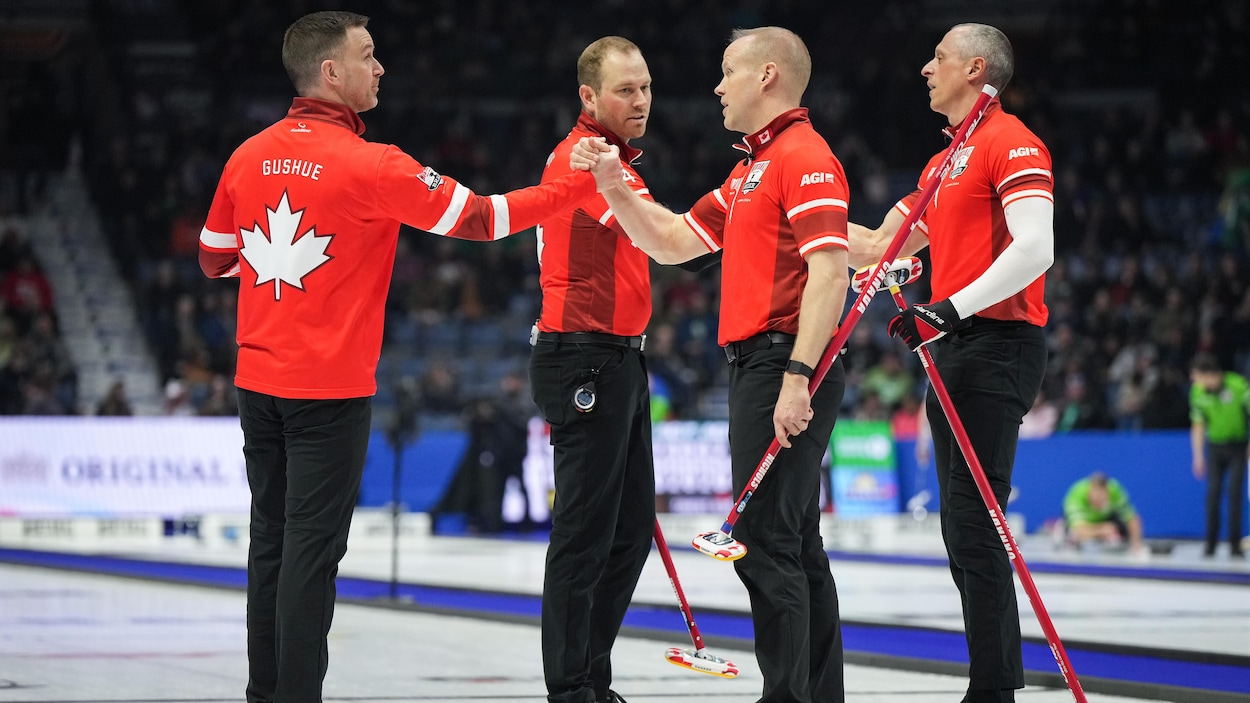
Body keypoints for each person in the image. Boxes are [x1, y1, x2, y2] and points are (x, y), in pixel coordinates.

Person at [197, 11, 614, 702]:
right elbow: (482, 218)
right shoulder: (374, 163)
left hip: (257, 382)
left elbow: (214, 259)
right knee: (310, 553)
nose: (380, 67)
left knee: (269, 542)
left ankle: (263, 692)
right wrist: (578, 186)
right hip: (328, 391)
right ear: (331, 73)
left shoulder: (247, 155)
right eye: (368, 55)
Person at [577, 27, 850, 703]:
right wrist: (614, 183)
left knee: (763, 539)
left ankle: (788, 696)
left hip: (783, 362)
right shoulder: (751, 168)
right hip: (760, 364)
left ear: (766, 76)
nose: (717, 86)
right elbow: (671, 241)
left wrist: (797, 376)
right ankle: (818, 694)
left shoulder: (804, 157)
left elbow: (830, 271)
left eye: (727, 71)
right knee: (792, 539)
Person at [847, 23, 1054, 703]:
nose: (923, 69)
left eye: (936, 58)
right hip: (955, 348)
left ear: (974, 68)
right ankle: (992, 682)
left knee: (973, 523)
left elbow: (1035, 249)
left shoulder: (1013, 141)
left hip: (995, 343)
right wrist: (795, 216)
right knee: (960, 526)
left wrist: (947, 308)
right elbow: (884, 243)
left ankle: (993, 689)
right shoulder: (945, 161)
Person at [529, 36, 658, 703]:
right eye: (624, 90)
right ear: (589, 96)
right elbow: (656, 237)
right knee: (584, 532)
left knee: (630, 529)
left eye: (644, 87)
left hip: (618, 359)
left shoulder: (612, 161)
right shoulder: (586, 162)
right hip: (584, 357)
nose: (640, 101)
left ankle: (588, 672)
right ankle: (572, 685)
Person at [1189, 352, 1249, 559]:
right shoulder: (1198, 392)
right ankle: (1211, 544)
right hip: (1215, 447)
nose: (1194, 380)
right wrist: (1197, 455)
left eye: (1197, 375)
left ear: (1209, 374)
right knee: (1212, 494)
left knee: (1234, 494)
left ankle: (1235, 545)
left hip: (1238, 446)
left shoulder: (1238, 385)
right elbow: (1198, 424)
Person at [1061, 472, 1144, 553]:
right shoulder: (1076, 496)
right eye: (1095, 497)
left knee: (1123, 528)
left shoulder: (1115, 491)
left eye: (1102, 498)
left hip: (1104, 518)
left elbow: (1132, 518)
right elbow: (1079, 531)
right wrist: (1102, 530)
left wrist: (1136, 543)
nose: (1098, 501)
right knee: (1073, 536)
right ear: (1089, 491)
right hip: (1083, 521)